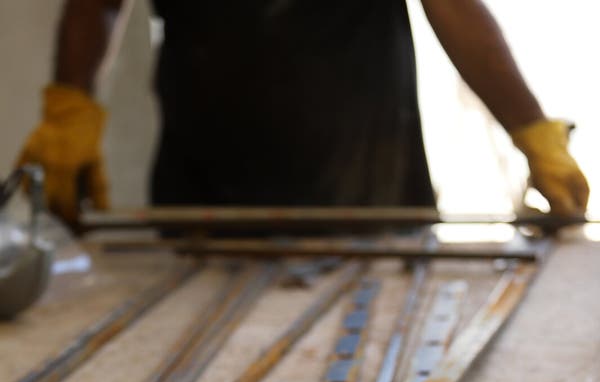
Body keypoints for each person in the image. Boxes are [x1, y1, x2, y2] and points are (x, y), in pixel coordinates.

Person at [17, 0, 590, 223]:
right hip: (205, 184)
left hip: (363, 184)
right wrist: (71, 110)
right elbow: (95, 4)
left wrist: (530, 131)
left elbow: (452, 7)